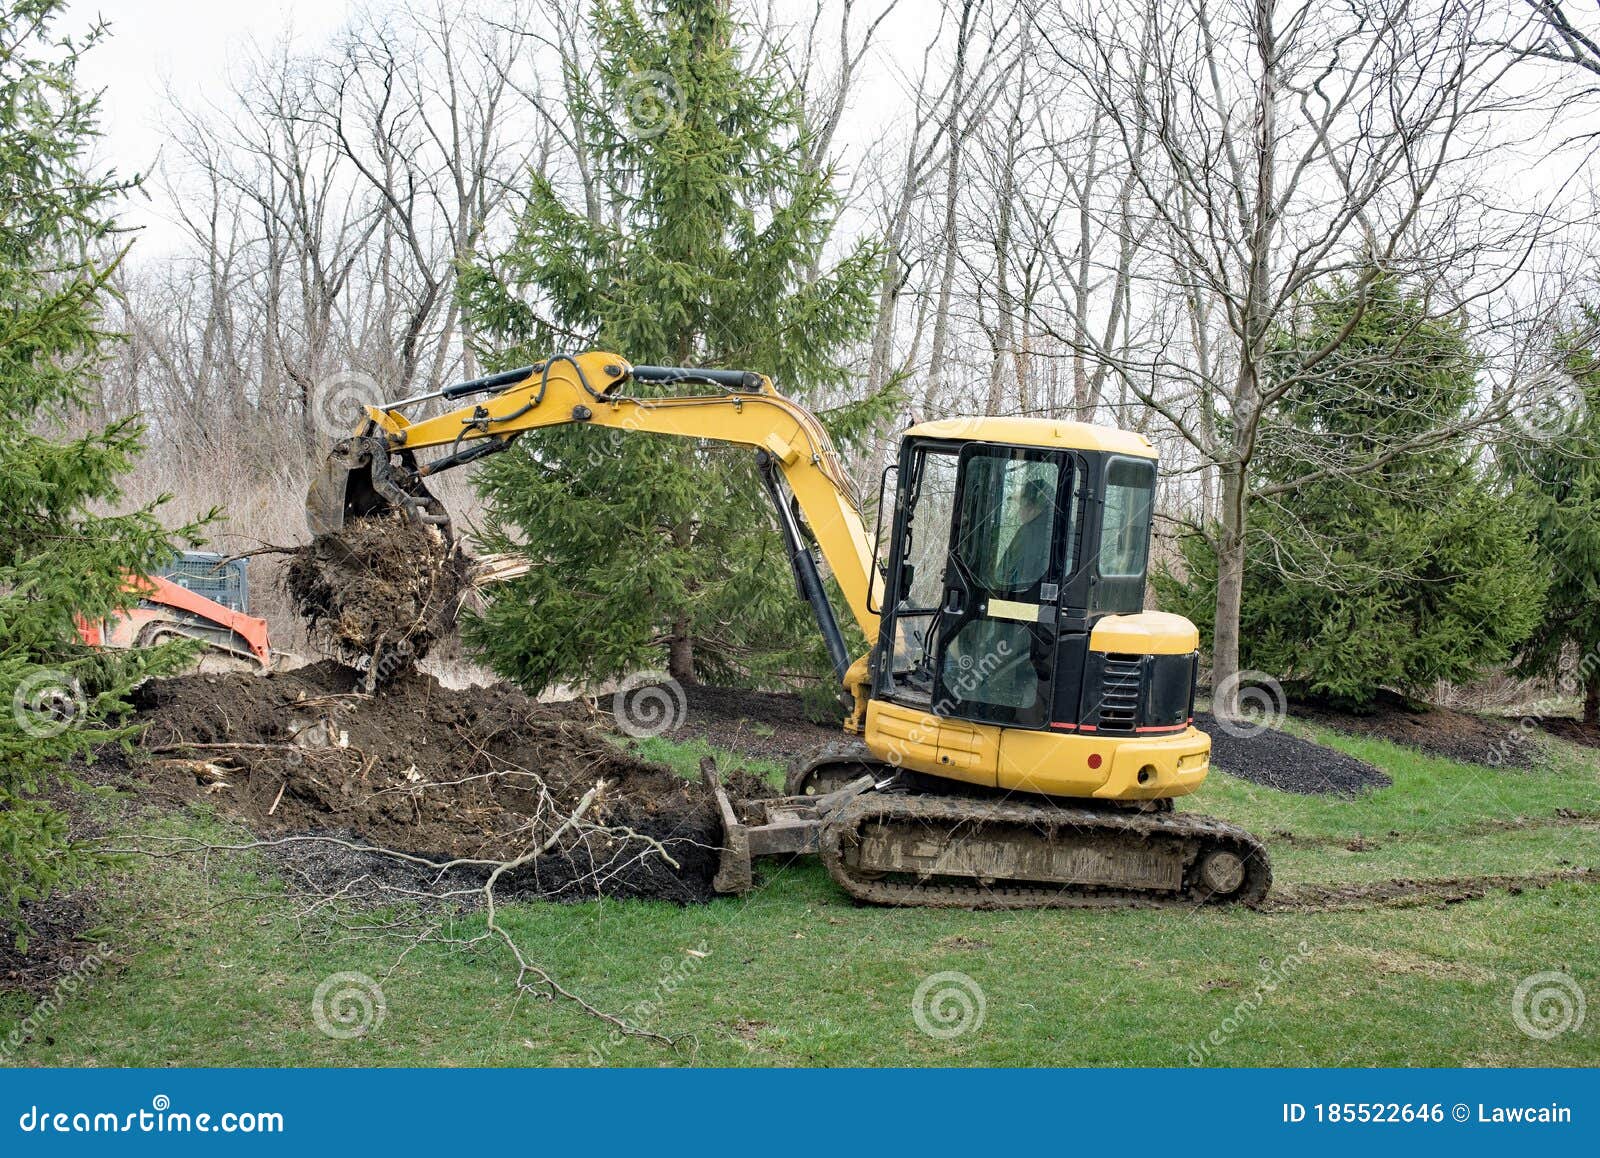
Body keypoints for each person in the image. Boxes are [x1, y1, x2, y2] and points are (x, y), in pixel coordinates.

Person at [996, 474, 1053, 590]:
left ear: (1035, 506)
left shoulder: (1035, 532)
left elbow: (1016, 576)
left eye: (1022, 504)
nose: (1020, 510)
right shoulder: (1033, 528)